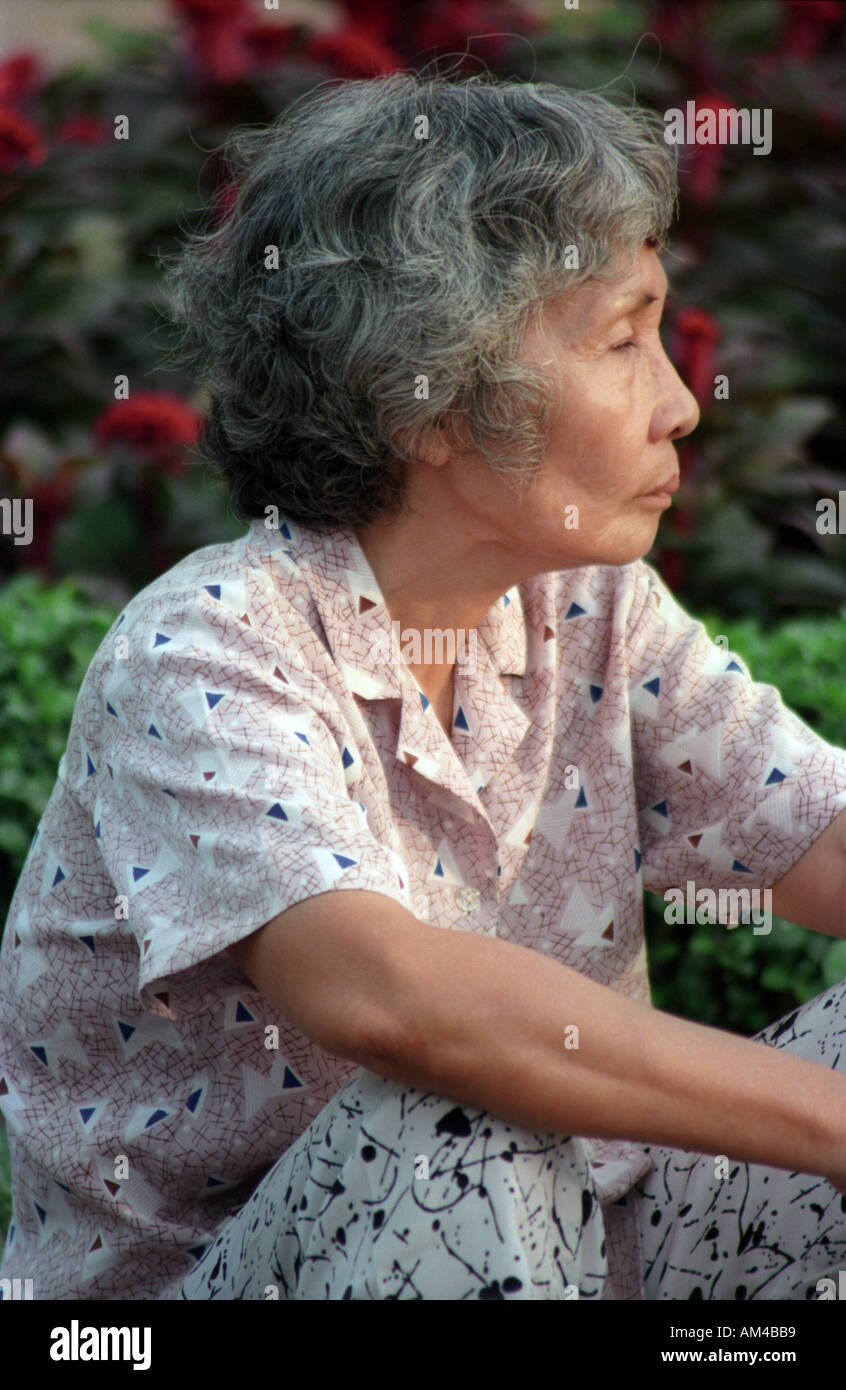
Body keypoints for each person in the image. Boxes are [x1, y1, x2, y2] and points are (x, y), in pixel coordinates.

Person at [2, 72, 846, 1303]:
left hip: (578, 1250)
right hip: (216, 1292)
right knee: (468, 1101)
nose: (678, 407)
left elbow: (822, 834)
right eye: (622, 339)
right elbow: (391, 996)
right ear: (431, 402)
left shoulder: (588, 604)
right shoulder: (203, 651)